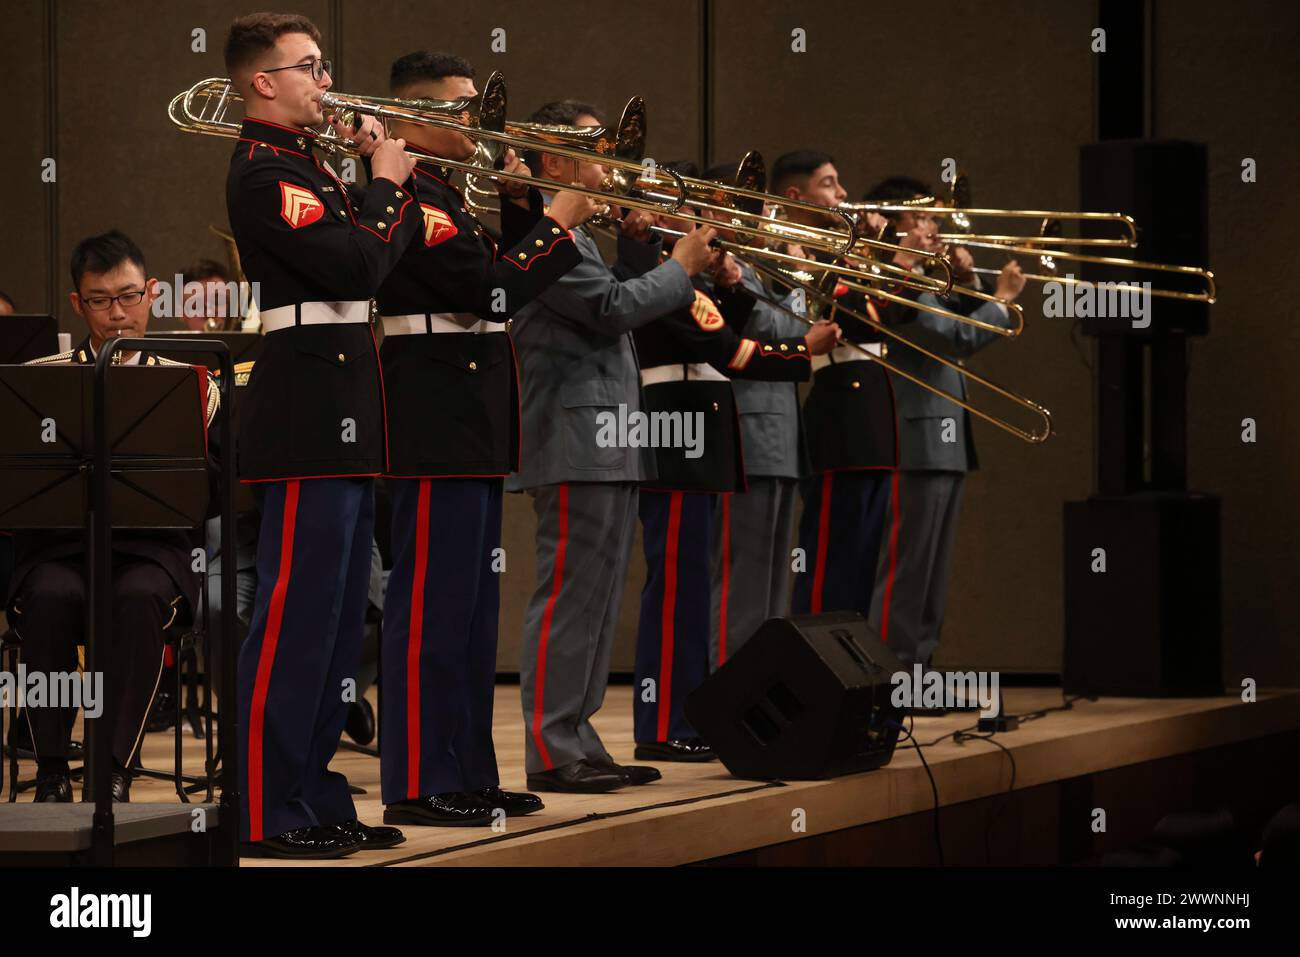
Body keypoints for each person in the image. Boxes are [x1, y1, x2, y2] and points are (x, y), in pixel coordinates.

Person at [373, 52, 596, 826]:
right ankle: (416, 778)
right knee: (429, 611)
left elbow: (505, 276)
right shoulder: (413, 194)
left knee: (469, 614)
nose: (482, 119)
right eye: (465, 107)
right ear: (416, 116)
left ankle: (468, 768)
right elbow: (491, 290)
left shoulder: (447, 193)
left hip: (469, 418)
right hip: (432, 415)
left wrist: (522, 203)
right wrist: (560, 220)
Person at [223, 11, 420, 859]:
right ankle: (265, 808)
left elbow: (379, 262)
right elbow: (353, 266)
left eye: (324, 64)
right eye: (309, 67)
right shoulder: (265, 169)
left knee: (339, 622)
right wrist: (384, 182)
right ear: (264, 81)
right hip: (305, 411)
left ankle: (312, 792)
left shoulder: (312, 164)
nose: (327, 81)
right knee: (295, 620)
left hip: (346, 407)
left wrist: (380, 181)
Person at [507, 100, 716, 793]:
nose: (610, 171)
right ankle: (550, 745)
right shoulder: (543, 234)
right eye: (598, 156)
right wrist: (680, 265)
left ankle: (579, 736)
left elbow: (614, 299)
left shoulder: (577, 236)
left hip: (609, 434)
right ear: (556, 160)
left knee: (596, 599)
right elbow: (611, 309)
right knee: (570, 596)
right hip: (574, 436)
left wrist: (636, 251)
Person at [629, 167, 838, 760]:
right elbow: (728, 350)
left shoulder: (687, 277)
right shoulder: (657, 269)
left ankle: (693, 716)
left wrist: (734, 284)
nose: (708, 226)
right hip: (675, 432)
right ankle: (665, 724)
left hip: (701, 433)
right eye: (696, 212)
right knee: (678, 591)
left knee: (693, 588)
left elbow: (723, 331)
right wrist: (801, 350)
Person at [8, 230, 219, 803]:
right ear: (78, 304)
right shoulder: (43, 377)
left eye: (129, 296)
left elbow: (217, 491)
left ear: (152, 292)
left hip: (152, 554)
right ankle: (52, 770)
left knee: (139, 597)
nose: (118, 313)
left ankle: (113, 771)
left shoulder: (193, 382)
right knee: (49, 597)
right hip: (60, 549)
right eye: (100, 301)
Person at [863, 177, 1025, 668]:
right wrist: (1002, 299)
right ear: (894, 224)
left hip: (943, 440)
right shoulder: (892, 278)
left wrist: (971, 282)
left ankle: (918, 672)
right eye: (922, 218)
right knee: (908, 574)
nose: (934, 227)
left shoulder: (923, 277)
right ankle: (892, 677)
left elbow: (955, 315)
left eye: (933, 217)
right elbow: (953, 336)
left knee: (932, 577)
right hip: (917, 438)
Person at [770, 150, 922, 623]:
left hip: (873, 417)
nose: (843, 193)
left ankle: (850, 658)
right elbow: (861, 316)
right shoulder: (799, 253)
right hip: (840, 415)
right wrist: (896, 261)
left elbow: (900, 315)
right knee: (828, 561)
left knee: (861, 562)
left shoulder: (840, 251)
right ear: (796, 195)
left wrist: (887, 257)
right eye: (829, 184)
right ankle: (813, 658)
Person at [699, 162, 813, 667]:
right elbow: (779, 331)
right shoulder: (722, 263)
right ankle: (730, 686)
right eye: (757, 205)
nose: (768, 215)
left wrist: (794, 272)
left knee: (771, 590)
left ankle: (761, 686)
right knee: (741, 584)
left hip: (779, 438)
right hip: (748, 433)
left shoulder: (762, 265)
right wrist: (794, 279)